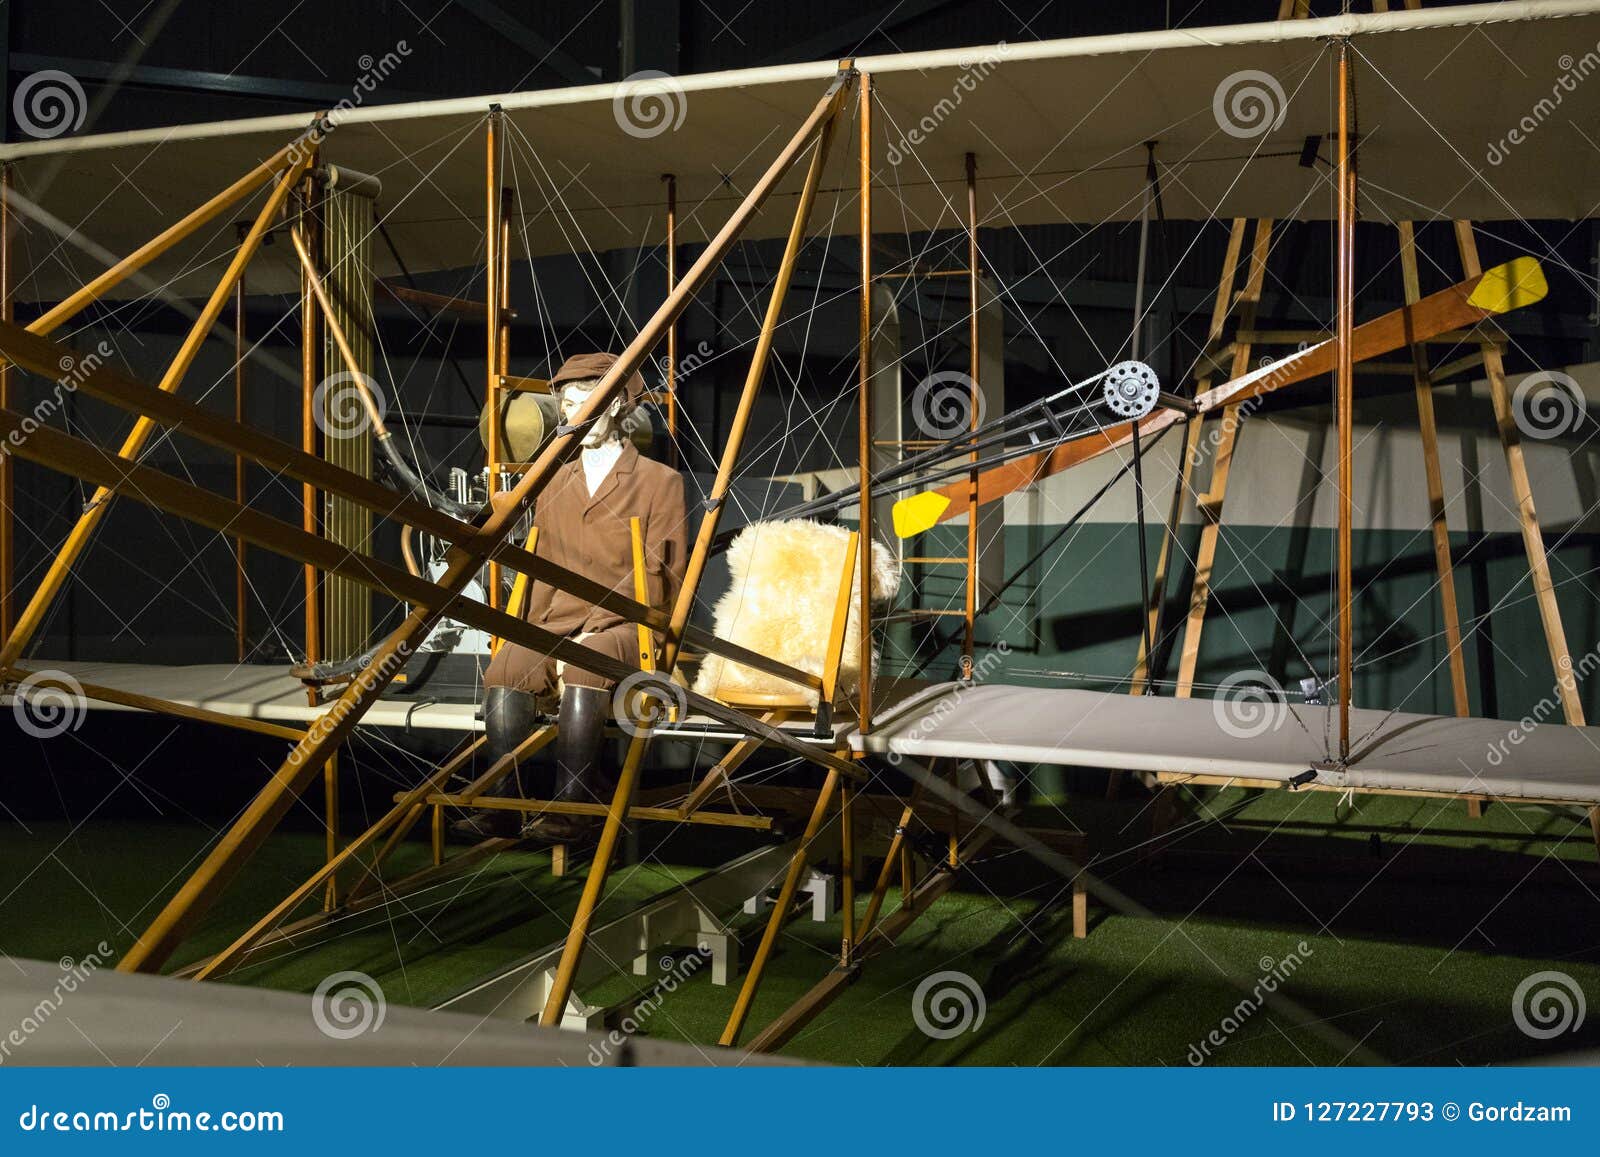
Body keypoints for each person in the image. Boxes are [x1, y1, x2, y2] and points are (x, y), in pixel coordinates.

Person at [455, 352, 688, 842]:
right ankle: (503, 805)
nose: (578, 417)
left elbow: (666, 574)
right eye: (569, 407)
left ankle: (573, 810)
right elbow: (539, 562)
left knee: (586, 661)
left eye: (590, 405)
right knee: (508, 667)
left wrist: (601, 621)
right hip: (558, 620)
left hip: (627, 626)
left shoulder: (658, 482)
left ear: (619, 408)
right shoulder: (554, 481)